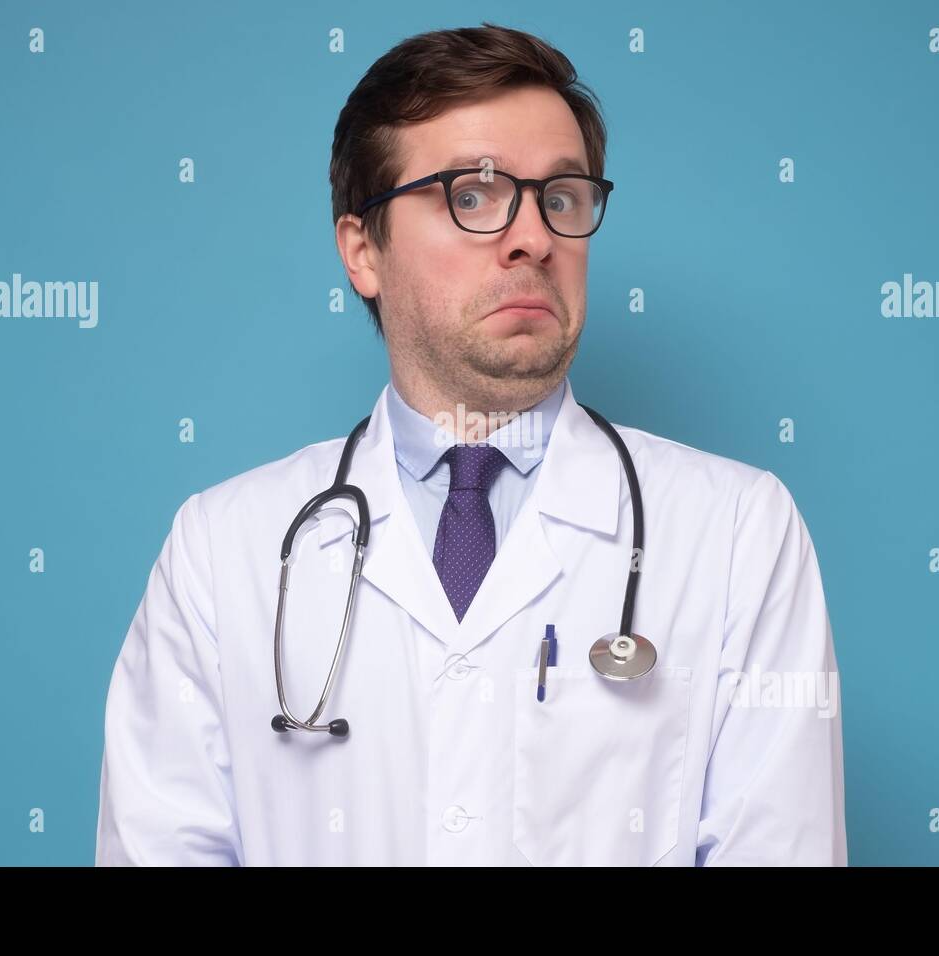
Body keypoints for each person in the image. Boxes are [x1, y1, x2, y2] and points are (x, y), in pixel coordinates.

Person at [94, 22, 847, 866]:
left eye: (561, 197)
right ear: (361, 250)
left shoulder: (739, 532)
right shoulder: (222, 549)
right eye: (474, 194)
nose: (535, 237)